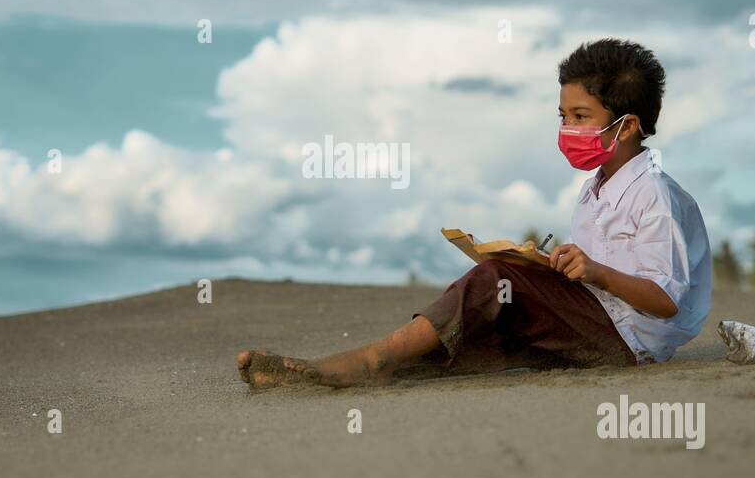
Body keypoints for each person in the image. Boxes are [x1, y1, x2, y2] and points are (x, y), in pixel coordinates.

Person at [236, 38, 712, 389]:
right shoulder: (595, 190)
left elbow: (664, 300)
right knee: (487, 323)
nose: (567, 128)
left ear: (626, 126)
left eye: (581, 117)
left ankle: (370, 360)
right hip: (599, 322)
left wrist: (595, 272)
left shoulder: (655, 195)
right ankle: (355, 370)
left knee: (495, 278)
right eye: (562, 116)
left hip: (629, 340)